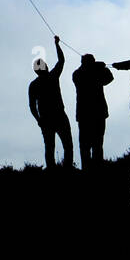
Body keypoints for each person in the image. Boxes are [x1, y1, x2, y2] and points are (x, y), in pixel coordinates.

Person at [29, 36, 73, 168]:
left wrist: (38, 119)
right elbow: (62, 60)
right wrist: (57, 45)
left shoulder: (34, 84)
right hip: (58, 116)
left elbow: (32, 106)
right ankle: (67, 169)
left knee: (50, 147)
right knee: (67, 145)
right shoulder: (52, 77)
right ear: (45, 67)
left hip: (47, 119)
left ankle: (52, 171)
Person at [71, 53, 114, 170]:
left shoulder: (78, 73)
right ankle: (94, 168)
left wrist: (99, 67)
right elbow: (108, 78)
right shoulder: (80, 74)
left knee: (93, 144)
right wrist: (99, 66)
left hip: (87, 114)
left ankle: (90, 168)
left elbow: (109, 78)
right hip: (94, 113)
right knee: (94, 144)